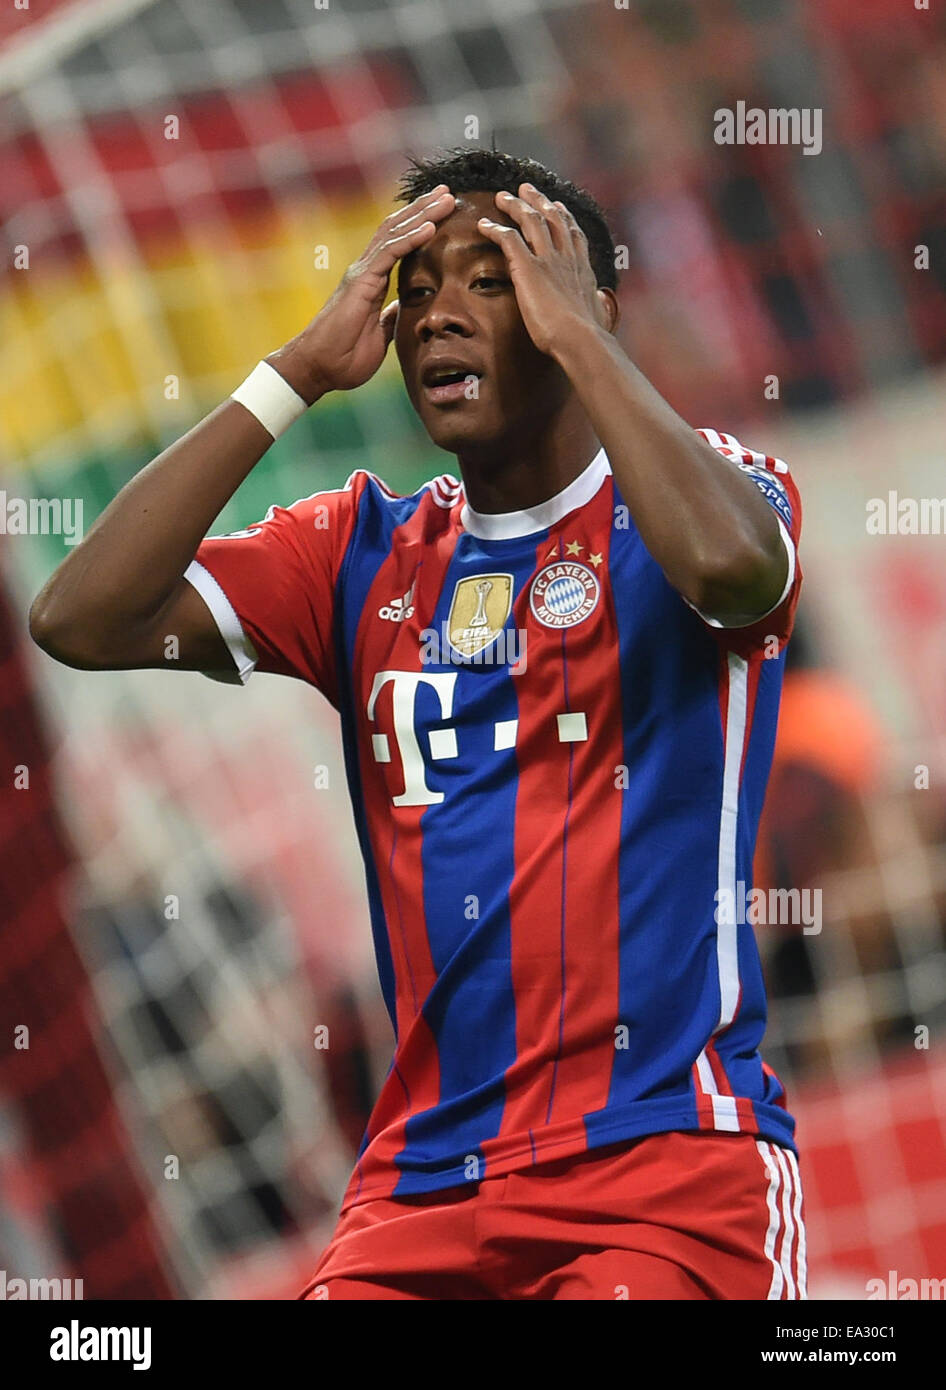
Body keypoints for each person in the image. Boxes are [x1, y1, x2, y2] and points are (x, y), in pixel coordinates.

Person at [29, 147, 806, 1300]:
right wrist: (291, 372)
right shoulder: (357, 549)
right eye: (418, 288)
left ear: (576, 306)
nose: (438, 313)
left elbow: (737, 572)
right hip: (424, 1188)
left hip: (665, 1166)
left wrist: (584, 342)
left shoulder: (711, 491)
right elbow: (79, 615)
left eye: (491, 280)